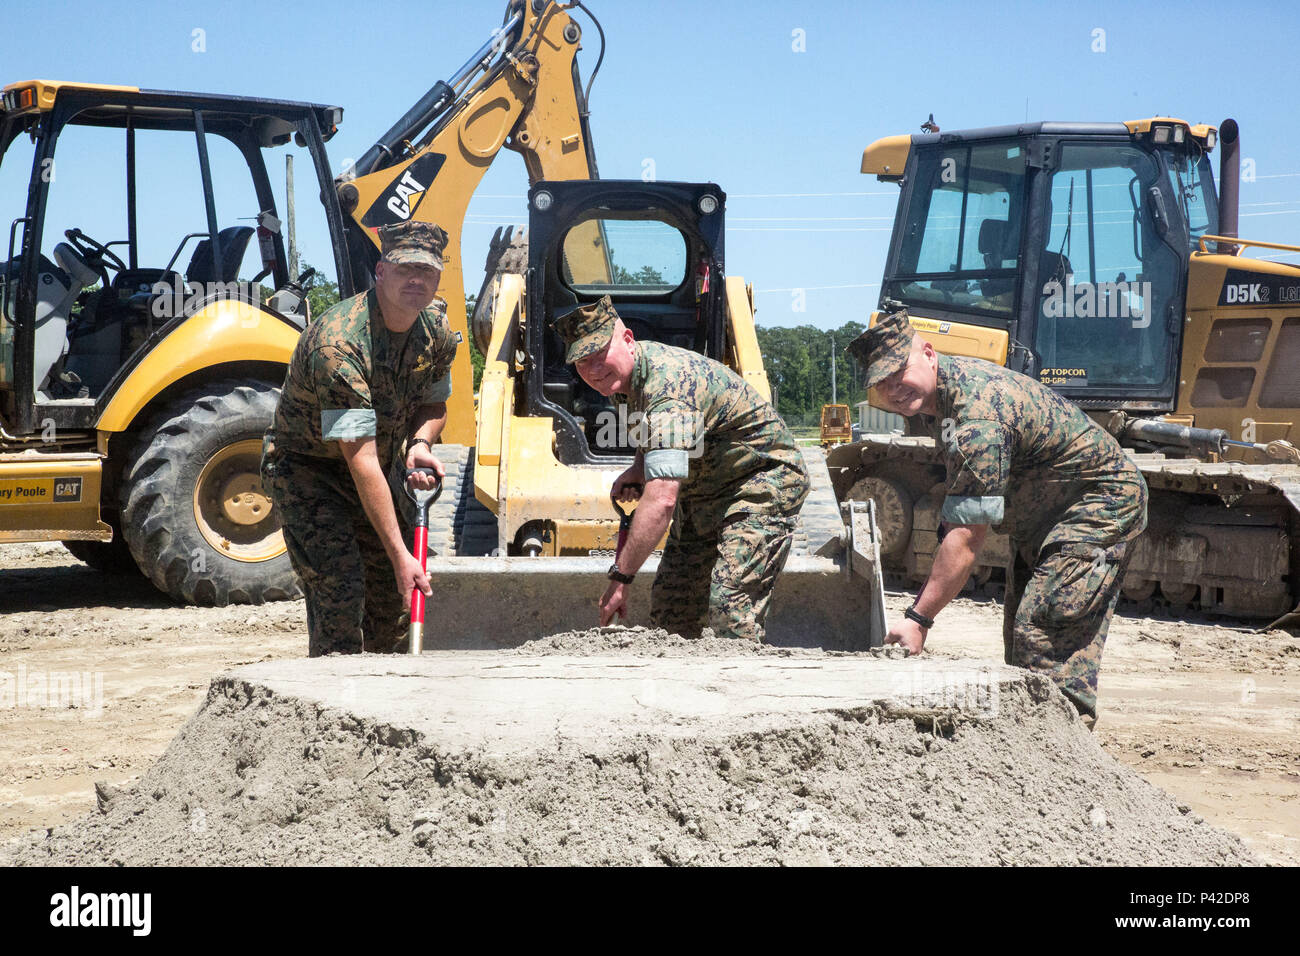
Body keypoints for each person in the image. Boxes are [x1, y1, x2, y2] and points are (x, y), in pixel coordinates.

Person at [846, 308, 1148, 725]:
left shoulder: (977, 418)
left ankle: (1063, 747)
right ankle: (1035, 741)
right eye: (882, 382)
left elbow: (968, 538)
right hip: (1044, 518)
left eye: (900, 372)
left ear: (929, 354)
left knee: (1042, 631)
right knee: (1019, 636)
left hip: (1098, 507)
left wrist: (918, 620)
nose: (894, 389)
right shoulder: (948, 397)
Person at [552, 295, 810, 642]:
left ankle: (741, 683)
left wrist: (620, 579)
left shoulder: (668, 388)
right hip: (707, 487)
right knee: (672, 607)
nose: (594, 369)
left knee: (729, 600)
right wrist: (638, 468)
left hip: (762, 479)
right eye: (582, 362)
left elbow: (662, 502)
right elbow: (649, 431)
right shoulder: (623, 381)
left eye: (600, 354)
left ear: (628, 340)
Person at [261, 221, 458, 656]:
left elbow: (434, 406)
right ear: (380, 271)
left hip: (377, 470)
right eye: (405, 268)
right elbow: (360, 459)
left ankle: (389, 698)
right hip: (311, 472)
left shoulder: (437, 335)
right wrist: (398, 553)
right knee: (342, 588)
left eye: (426, 272)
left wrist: (420, 445)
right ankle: (336, 696)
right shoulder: (339, 345)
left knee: (393, 600)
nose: (416, 280)